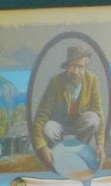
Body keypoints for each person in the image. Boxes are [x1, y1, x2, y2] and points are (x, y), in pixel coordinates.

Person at [31, 44, 105, 173]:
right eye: (73, 66)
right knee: (48, 127)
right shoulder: (55, 82)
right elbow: (42, 115)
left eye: (80, 67)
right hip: (60, 124)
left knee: (93, 119)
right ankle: (60, 155)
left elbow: (98, 112)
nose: (76, 71)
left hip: (79, 124)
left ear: (85, 68)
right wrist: (42, 147)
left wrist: (100, 144)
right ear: (67, 66)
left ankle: (79, 151)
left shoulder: (93, 81)